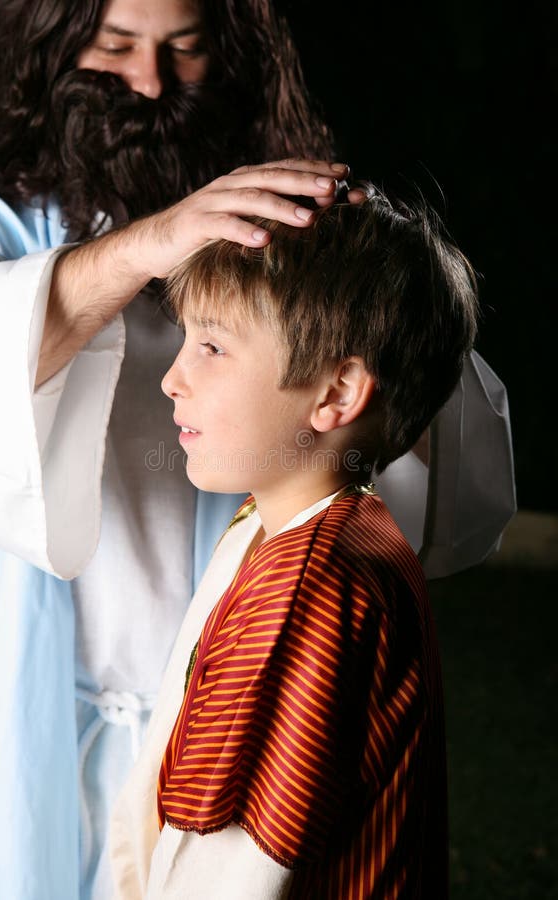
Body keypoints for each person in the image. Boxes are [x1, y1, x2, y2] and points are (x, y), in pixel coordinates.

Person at [0, 1, 514, 899]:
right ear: (47, 46)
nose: (149, 83)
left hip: (228, 673)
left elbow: (250, 857)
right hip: (40, 694)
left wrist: (368, 270)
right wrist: (149, 244)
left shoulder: (316, 584)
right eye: (115, 46)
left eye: (184, 50)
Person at [110, 189, 477, 898]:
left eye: (213, 346)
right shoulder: (304, 531)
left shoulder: (310, 592)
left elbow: (229, 871)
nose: (172, 378)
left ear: (337, 393)